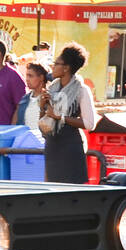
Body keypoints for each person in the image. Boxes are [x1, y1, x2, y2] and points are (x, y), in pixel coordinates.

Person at [38, 42, 96, 183]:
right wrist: (42, 107)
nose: (53, 66)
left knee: (72, 195)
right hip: (52, 146)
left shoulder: (81, 90)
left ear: (66, 68)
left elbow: (89, 124)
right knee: (52, 194)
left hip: (71, 148)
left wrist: (61, 117)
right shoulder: (52, 89)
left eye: (56, 63)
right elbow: (44, 124)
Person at [14, 63, 48, 131]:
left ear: (41, 77)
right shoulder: (24, 99)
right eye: (26, 76)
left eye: (30, 76)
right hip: (27, 139)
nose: (27, 79)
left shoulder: (49, 98)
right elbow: (14, 124)